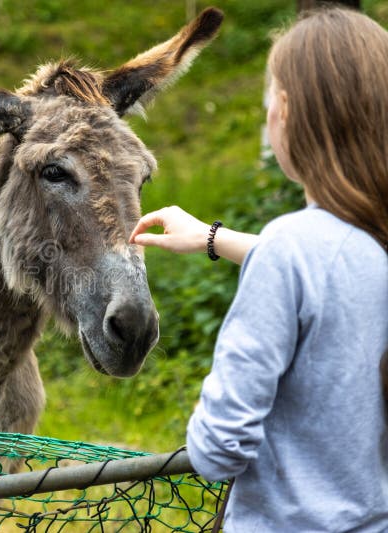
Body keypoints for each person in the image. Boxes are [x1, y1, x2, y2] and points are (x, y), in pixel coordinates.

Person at [129, 7, 388, 532]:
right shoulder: (370, 241)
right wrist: (210, 237)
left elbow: (219, 447)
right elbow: (331, 261)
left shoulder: (291, 250)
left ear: (286, 111)